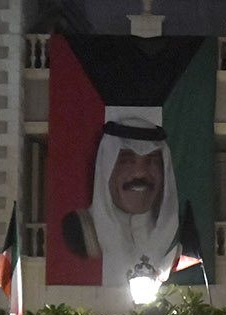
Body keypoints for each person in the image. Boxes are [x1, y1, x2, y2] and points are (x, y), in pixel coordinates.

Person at [62, 116, 181, 286]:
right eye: (126, 161)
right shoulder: (81, 232)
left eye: (152, 161)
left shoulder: (177, 236)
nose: (139, 173)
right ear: (107, 167)